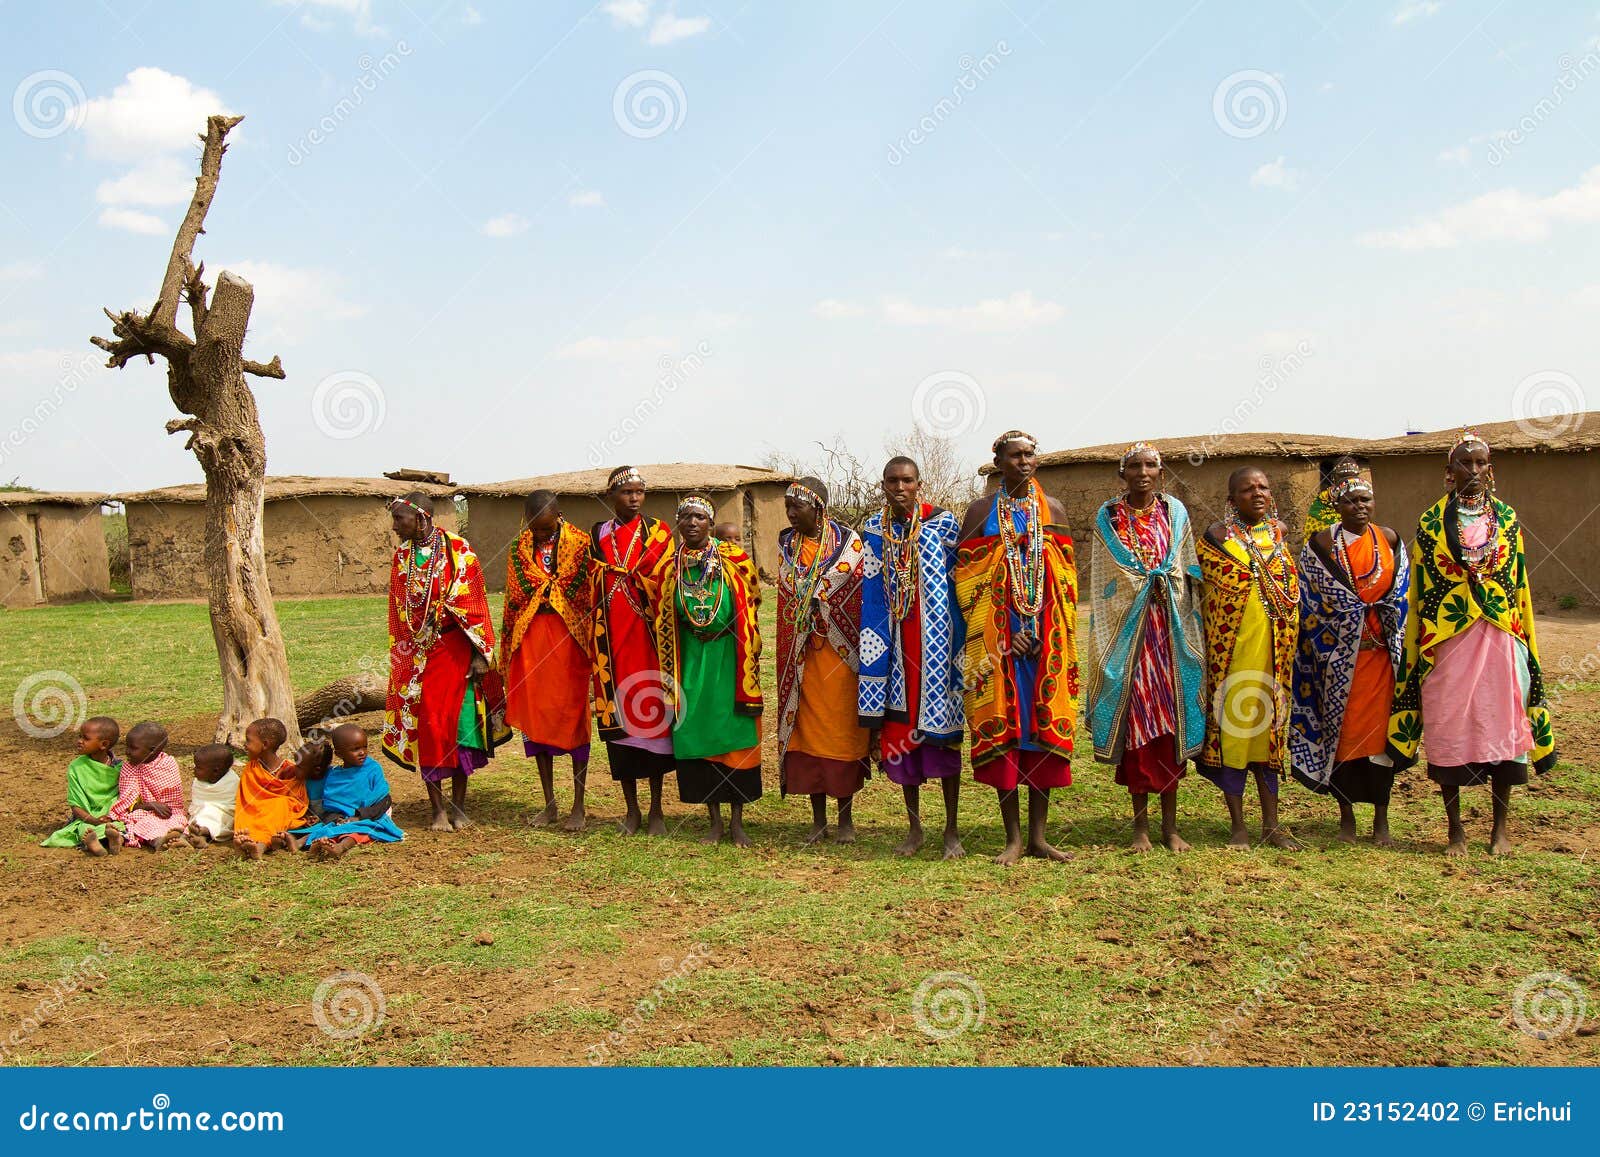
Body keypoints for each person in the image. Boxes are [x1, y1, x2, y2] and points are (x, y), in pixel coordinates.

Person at [1387, 431, 1557, 855]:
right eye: (1466, 463)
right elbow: (1422, 590)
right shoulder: (1429, 523)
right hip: (1448, 641)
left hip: (1501, 637)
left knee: (1503, 723)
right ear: (1449, 473)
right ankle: (1456, 829)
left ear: (1491, 471)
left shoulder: (1508, 519)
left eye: (1482, 463)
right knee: (1449, 725)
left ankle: (1500, 829)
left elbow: (1517, 584)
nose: (1475, 471)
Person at [957, 430, 1080, 865]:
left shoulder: (1056, 511)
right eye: (1015, 456)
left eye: (1030, 454)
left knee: (1040, 732)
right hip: (999, 647)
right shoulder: (979, 512)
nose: (1024, 462)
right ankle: (1012, 837)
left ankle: (1039, 838)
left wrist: (1046, 630)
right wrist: (1005, 632)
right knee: (1007, 734)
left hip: (1045, 642)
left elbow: (1066, 581)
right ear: (998, 461)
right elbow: (967, 581)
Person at [1084, 443, 1207, 853]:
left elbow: (1187, 565)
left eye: (1150, 465)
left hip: (1170, 632)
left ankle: (1171, 828)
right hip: (1131, 633)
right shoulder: (1109, 516)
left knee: (1171, 725)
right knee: (1137, 729)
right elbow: (1107, 575)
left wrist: (1171, 585)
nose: (1142, 472)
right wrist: (1142, 583)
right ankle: (1139, 828)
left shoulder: (1176, 513)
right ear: (1122, 474)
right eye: (1134, 466)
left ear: (1161, 471)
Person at [1290, 476, 1409, 844]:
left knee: (1380, 742)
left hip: (1381, 660)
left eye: (1366, 500)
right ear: (1337, 507)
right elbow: (1310, 601)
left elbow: (1402, 592)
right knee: (1342, 740)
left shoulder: (1389, 539)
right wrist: (1349, 619)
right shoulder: (1321, 545)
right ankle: (1346, 819)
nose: (1360, 506)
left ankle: (1382, 821)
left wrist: (1380, 615)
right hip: (1337, 663)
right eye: (1352, 501)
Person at [382, 490, 509, 832]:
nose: (395, 526)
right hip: (417, 656)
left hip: (455, 650)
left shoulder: (459, 552)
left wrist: (480, 656)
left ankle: (459, 806)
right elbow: (398, 613)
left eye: (399, 519)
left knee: (459, 726)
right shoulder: (401, 558)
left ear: (421, 516)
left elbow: (476, 604)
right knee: (430, 727)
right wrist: (403, 660)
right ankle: (437, 809)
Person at [859, 456, 966, 858]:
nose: (899, 487)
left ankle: (952, 830)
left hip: (940, 649)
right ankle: (915, 829)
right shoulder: (873, 530)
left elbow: (962, 581)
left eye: (907, 481)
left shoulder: (943, 524)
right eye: (892, 481)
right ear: (883, 484)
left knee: (943, 743)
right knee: (902, 740)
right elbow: (869, 593)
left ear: (919, 484)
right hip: (894, 651)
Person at [1197, 467, 1302, 849]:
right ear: (1231, 500)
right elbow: (1208, 594)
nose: (1257, 493)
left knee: (1269, 736)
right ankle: (1238, 825)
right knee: (1234, 735)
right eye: (1247, 489)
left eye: (1263, 487)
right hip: (1233, 656)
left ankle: (1272, 824)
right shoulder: (1215, 539)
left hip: (1275, 656)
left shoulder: (1278, 535)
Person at [656, 495, 764, 846]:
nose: (692, 523)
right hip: (690, 658)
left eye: (700, 517)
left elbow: (752, 597)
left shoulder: (733, 558)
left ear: (710, 522)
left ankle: (737, 822)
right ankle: (713, 821)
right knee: (697, 733)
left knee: (732, 733)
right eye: (686, 517)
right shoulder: (671, 566)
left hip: (729, 657)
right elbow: (661, 612)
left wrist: (729, 627)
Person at [776, 478, 870, 845]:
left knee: (841, 733)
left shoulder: (850, 545)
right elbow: (786, 598)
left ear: (817, 507)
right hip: (802, 659)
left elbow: (858, 593)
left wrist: (823, 604)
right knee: (807, 734)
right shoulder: (786, 547)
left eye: (796, 507)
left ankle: (845, 820)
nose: (790, 514)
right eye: (787, 507)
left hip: (841, 658)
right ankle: (817, 821)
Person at [590, 466, 677, 836]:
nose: (635, 498)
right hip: (610, 645)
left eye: (640, 491)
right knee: (620, 727)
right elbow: (591, 578)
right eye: (627, 492)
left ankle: (657, 808)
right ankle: (631, 810)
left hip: (650, 642)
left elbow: (669, 580)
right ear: (612, 496)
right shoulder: (599, 534)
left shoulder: (658, 533)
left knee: (653, 722)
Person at [503, 490, 595, 832]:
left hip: (569, 640)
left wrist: (549, 592)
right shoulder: (518, 548)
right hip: (531, 640)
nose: (541, 534)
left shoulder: (580, 544)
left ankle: (578, 806)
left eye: (547, 528)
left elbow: (585, 593)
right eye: (535, 528)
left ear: (560, 515)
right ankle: (549, 803)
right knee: (536, 717)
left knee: (573, 717)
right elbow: (515, 598)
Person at [292, 724, 405, 859]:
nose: (362, 752)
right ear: (339, 754)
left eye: (365, 747)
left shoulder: (373, 768)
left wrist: (359, 817)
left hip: (373, 815)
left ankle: (341, 847)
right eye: (356, 749)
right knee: (330, 827)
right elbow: (332, 805)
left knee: (360, 831)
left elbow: (384, 799)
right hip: (343, 819)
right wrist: (338, 819)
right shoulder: (335, 776)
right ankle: (317, 844)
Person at [41, 717, 125, 856]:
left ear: (103, 744)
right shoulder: (76, 767)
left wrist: (112, 815)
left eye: (85, 738)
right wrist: (94, 821)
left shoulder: (121, 768)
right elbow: (76, 805)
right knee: (84, 829)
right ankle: (96, 843)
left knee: (121, 825)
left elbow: (126, 797)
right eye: (79, 736)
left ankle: (115, 839)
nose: (79, 741)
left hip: (113, 816)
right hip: (88, 817)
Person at [233, 717, 310, 860]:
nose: (245, 745)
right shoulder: (251, 768)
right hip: (256, 813)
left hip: (278, 815)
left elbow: (297, 799)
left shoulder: (290, 770)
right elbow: (246, 800)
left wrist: (275, 803)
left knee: (280, 804)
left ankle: (260, 846)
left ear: (265, 744)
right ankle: (246, 841)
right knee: (251, 813)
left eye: (249, 740)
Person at [108, 721, 189, 851]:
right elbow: (126, 804)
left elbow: (174, 803)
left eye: (133, 748)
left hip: (170, 811)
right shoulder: (129, 767)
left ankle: (179, 840)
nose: (127, 752)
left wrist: (162, 808)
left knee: (179, 821)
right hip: (143, 812)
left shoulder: (168, 764)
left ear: (153, 750)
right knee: (143, 822)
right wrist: (150, 805)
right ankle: (160, 842)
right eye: (126, 747)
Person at [186, 743, 238, 846]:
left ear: (215, 771)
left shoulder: (232, 782)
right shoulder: (198, 782)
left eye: (198, 768)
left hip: (225, 815)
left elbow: (233, 806)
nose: (194, 769)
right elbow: (197, 803)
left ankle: (204, 831)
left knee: (212, 813)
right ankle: (200, 836)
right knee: (201, 816)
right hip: (201, 813)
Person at [1303, 455, 1364, 540]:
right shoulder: (1323, 500)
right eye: (1343, 478)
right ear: (1333, 478)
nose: (1347, 483)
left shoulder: (1364, 496)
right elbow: (1314, 535)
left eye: (1352, 478)